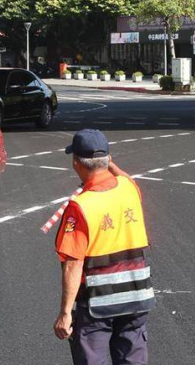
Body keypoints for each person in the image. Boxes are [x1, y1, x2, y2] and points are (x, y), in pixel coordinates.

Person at [53, 129, 154, 365]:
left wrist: (65, 313)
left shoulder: (80, 207)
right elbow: (124, 177)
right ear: (108, 159)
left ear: (76, 163)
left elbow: (73, 263)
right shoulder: (129, 189)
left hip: (98, 303)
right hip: (136, 296)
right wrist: (109, 162)